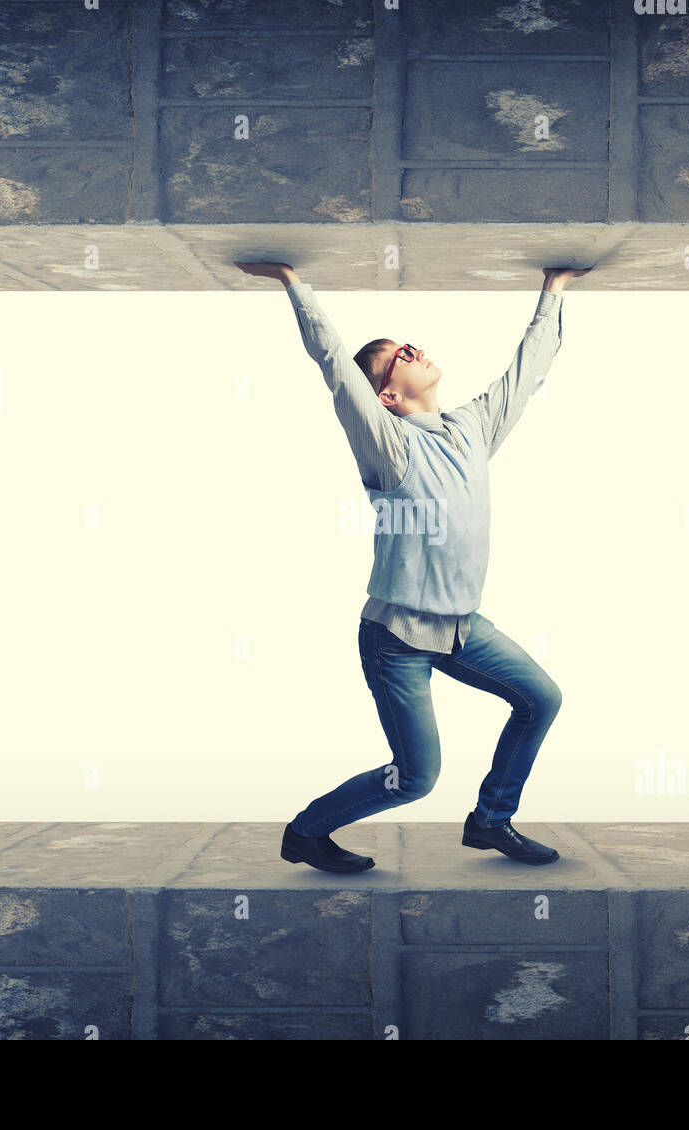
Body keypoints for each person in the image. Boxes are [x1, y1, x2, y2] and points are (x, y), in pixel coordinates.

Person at [234, 260, 591, 872]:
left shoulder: (472, 429)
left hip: (463, 629)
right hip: (396, 638)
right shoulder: (389, 445)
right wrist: (293, 282)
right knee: (416, 779)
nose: (412, 350)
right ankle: (306, 832)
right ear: (388, 396)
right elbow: (336, 367)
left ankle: (491, 821)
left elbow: (526, 372)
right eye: (398, 356)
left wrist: (552, 290)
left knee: (541, 699)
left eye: (408, 345)